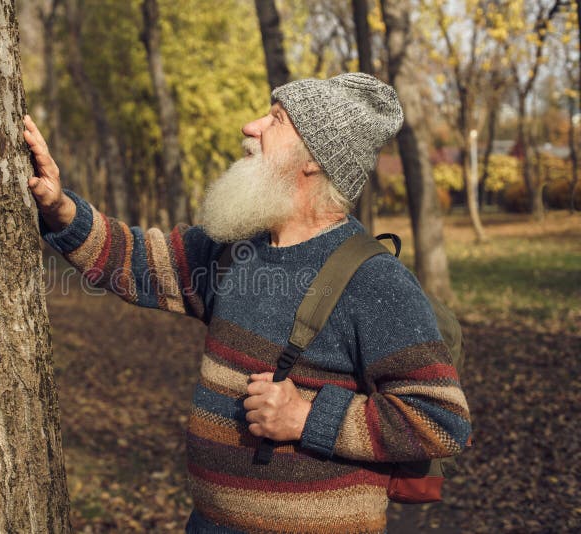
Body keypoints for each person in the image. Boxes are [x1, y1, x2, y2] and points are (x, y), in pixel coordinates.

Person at [23, 72, 472, 534]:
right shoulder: (237, 247)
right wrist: (60, 209)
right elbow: (138, 259)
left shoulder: (376, 281)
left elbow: (440, 419)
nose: (250, 126)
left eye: (275, 120)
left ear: (314, 159)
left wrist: (307, 416)